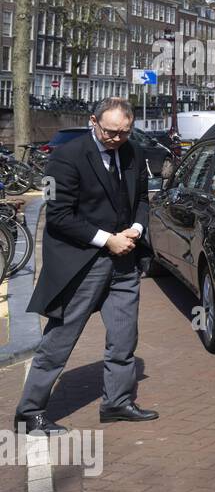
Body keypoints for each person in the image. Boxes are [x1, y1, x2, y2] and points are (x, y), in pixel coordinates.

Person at [17, 98, 157, 435]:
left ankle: (117, 402)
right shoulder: (66, 157)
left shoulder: (133, 151)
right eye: (110, 132)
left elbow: (140, 199)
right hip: (83, 261)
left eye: (124, 132)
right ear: (94, 121)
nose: (117, 139)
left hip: (124, 257)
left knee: (124, 336)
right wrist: (107, 240)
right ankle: (29, 413)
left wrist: (136, 231)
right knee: (61, 339)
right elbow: (60, 216)